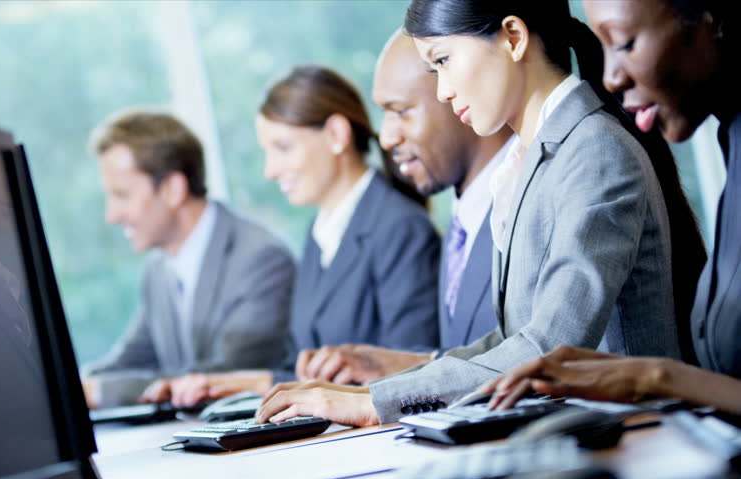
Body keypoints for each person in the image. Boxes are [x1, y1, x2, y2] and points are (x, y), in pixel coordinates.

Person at [256, 0, 704, 427]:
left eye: (444, 61)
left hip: (634, 435)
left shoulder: (592, 150)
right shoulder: (529, 163)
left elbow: (550, 346)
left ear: (512, 37)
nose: (444, 91)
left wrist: (378, 402)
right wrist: (375, 392)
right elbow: (511, 340)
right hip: (571, 427)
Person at [479, 0, 741, 416]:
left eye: (624, 43)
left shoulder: (595, 148)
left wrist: (654, 377)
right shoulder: (734, 143)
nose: (609, 77)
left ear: (712, 21)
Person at [140, 66, 442, 407]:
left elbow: (412, 369)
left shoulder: (399, 228)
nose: (270, 170)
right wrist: (228, 383)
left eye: (282, 148)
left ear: (335, 134)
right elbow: (306, 369)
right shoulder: (318, 235)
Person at [295, 31, 513, 386]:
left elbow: (541, 356)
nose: (386, 138)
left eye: (401, 112)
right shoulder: (461, 224)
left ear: (456, 96)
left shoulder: (529, 196)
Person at [81, 110, 295, 408]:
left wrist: (103, 391)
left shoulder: (260, 259)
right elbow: (132, 358)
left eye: (122, 195)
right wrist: (72, 386)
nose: (111, 215)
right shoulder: (158, 268)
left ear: (172, 189)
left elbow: (227, 375)